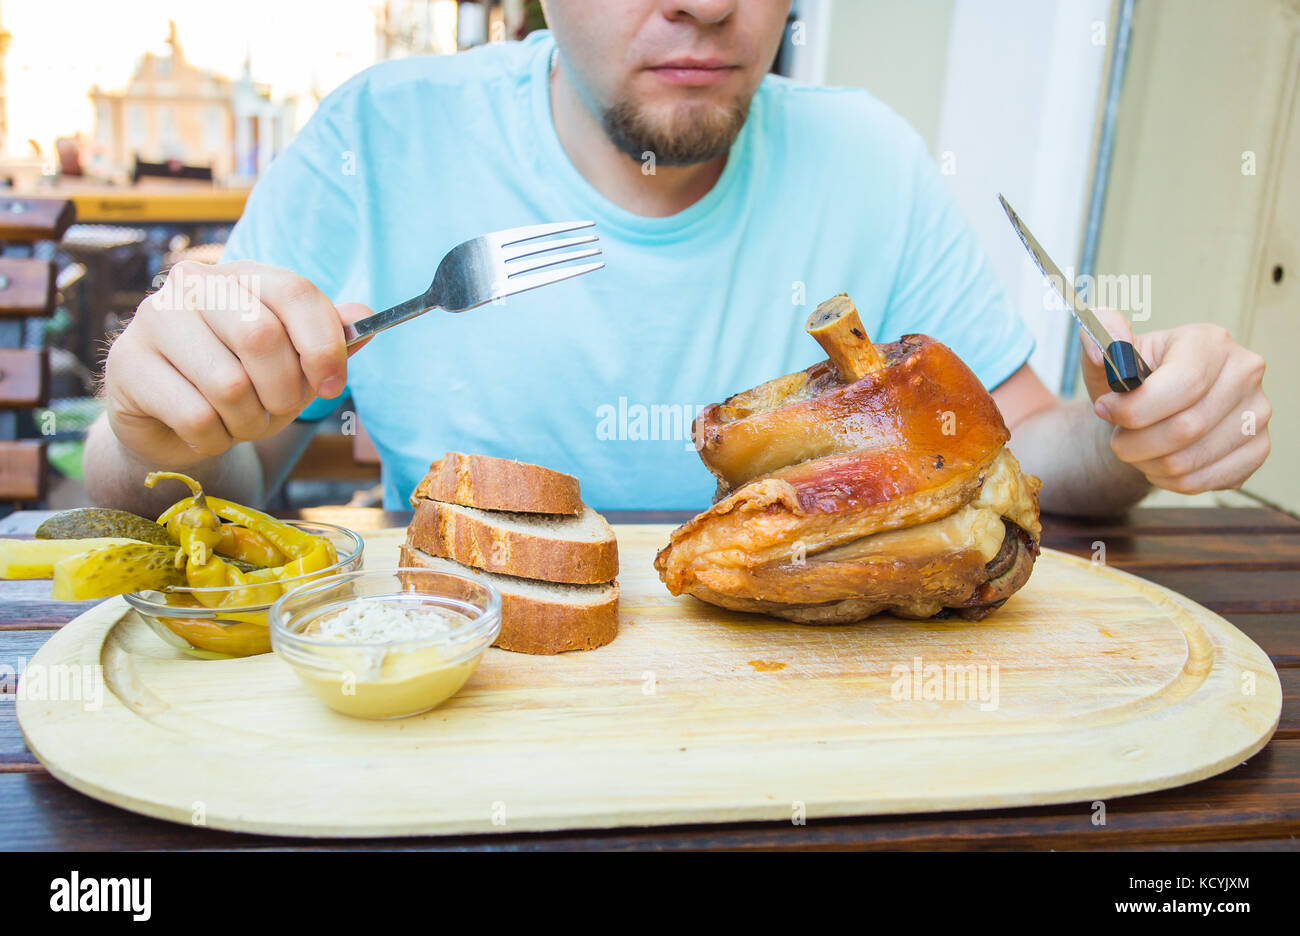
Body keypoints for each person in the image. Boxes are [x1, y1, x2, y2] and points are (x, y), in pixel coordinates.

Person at [87, 0, 1271, 516]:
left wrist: (1134, 435)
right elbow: (210, 491)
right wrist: (149, 431)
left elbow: (1026, 454)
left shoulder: (870, 154)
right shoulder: (378, 138)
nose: (707, 3)